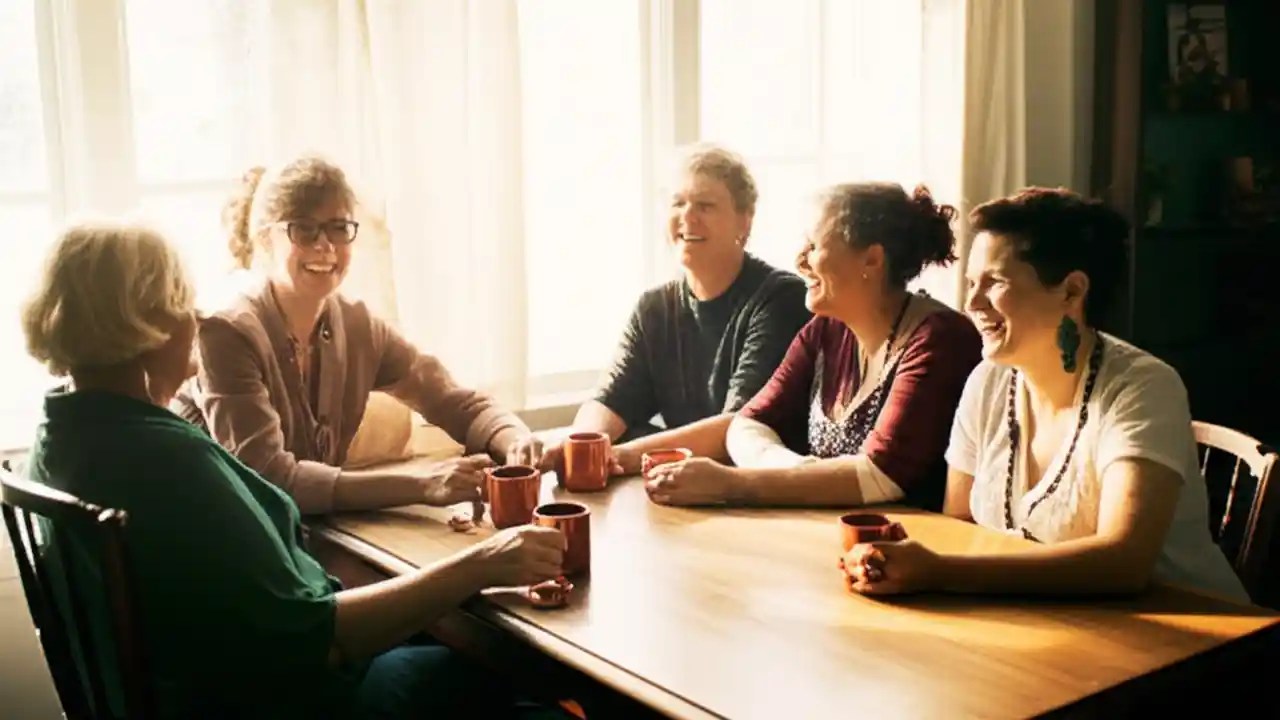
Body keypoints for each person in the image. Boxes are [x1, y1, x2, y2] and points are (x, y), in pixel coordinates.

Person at [20, 223, 569, 718]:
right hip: (294, 702)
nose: (196, 317)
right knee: (508, 669)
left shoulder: (59, 440)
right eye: (181, 303)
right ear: (144, 325)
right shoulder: (164, 464)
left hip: (197, 689)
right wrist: (480, 564)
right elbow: (320, 639)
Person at [843, 188, 1249, 602]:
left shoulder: (1143, 387)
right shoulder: (987, 381)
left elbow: (1124, 562)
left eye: (995, 282)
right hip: (1050, 619)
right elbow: (960, 525)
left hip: (1193, 634)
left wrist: (939, 570)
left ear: (1072, 292)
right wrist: (891, 557)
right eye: (970, 283)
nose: (972, 303)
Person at [173, 156, 543, 515]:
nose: (326, 246)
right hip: (217, 538)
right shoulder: (226, 333)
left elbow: (455, 401)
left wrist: (516, 441)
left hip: (302, 534)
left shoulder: (359, 325)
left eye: (338, 227)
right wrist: (421, 484)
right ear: (266, 240)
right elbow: (269, 480)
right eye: (304, 228)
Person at [644, 183, 981, 511]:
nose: (800, 260)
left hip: (905, 555)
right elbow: (747, 426)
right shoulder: (825, 331)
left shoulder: (939, 340)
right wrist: (797, 473)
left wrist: (733, 484)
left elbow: (880, 476)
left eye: (813, 245)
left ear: (872, 260)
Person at [539, 144, 811, 476]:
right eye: (678, 203)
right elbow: (612, 400)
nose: (688, 217)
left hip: (760, 489)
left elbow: (741, 426)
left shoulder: (781, 298)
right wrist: (578, 445)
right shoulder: (654, 308)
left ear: (744, 222)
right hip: (682, 485)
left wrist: (619, 458)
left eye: (705, 205)